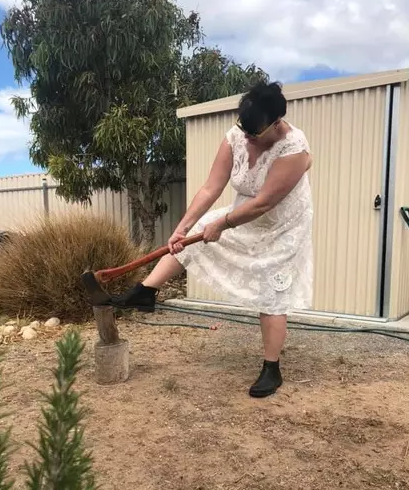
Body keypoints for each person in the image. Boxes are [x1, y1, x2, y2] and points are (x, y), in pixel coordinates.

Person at [111, 81, 313, 398]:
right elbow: (211, 187)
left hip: (281, 225)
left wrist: (222, 223)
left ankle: (271, 368)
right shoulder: (238, 135)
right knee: (194, 232)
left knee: (273, 291)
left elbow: (263, 203)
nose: (246, 137)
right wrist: (182, 227)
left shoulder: (295, 149)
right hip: (240, 212)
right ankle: (145, 291)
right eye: (242, 129)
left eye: (254, 133)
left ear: (275, 123)